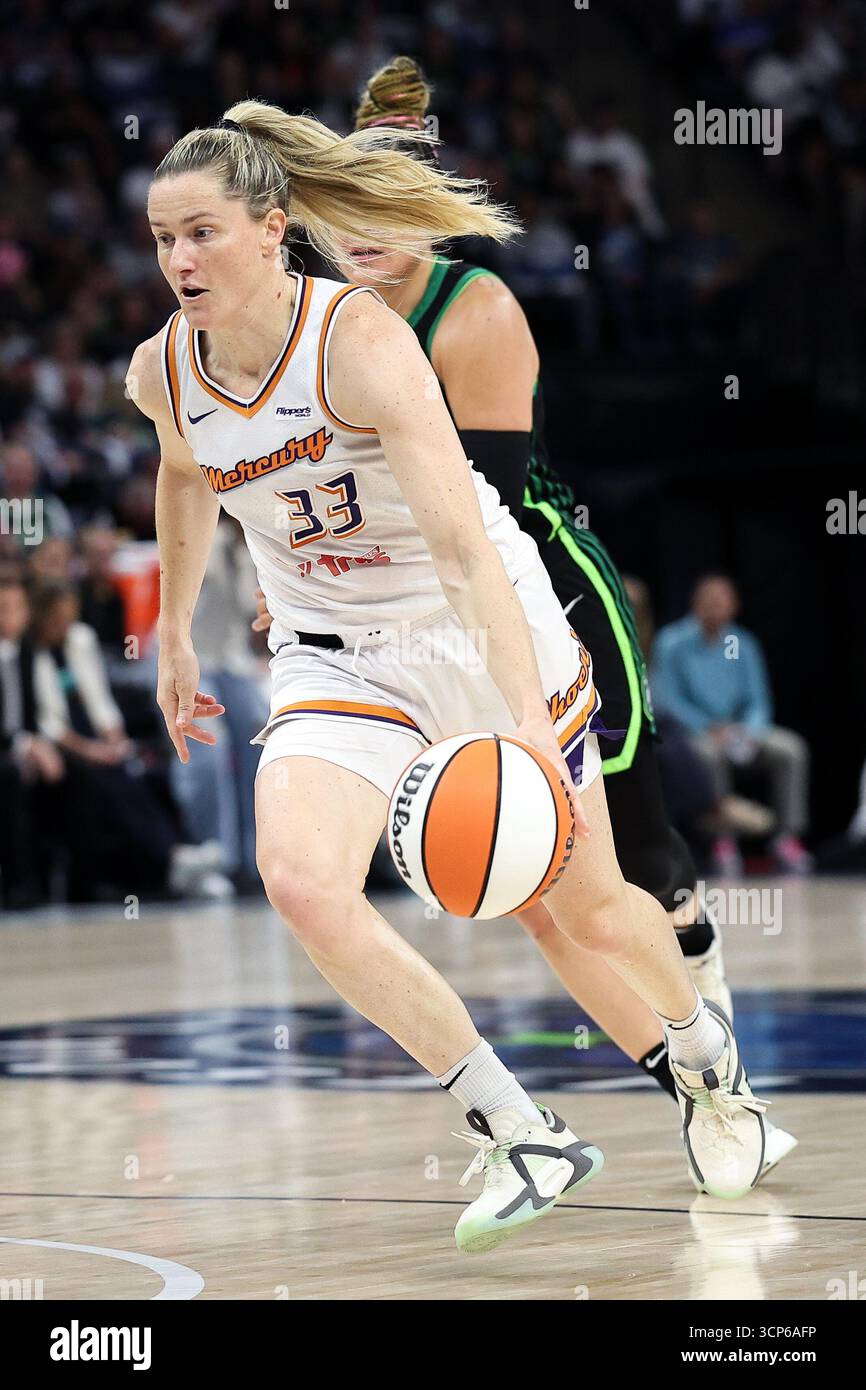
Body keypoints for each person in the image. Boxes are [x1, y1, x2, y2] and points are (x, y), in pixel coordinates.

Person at [130, 95, 775, 1254]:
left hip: (468, 623)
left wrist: (525, 723)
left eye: (201, 232)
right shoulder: (161, 371)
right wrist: (175, 633)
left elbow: (467, 548)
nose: (178, 258)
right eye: (163, 237)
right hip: (338, 653)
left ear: (273, 229)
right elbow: (182, 475)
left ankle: (703, 1054)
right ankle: (518, 1129)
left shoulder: (360, 342)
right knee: (299, 877)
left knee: (571, 901)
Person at [652, 574, 811, 876]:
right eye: (709, 602)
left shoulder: (742, 644)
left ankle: (786, 837)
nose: (715, 609)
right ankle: (723, 840)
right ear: (695, 605)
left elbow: (758, 698)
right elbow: (666, 700)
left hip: (740, 731)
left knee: (790, 749)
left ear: (734, 606)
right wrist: (709, 728)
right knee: (709, 755)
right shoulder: (672, 643)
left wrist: (748, 731)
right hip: (696, 734)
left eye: (722, 602)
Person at [0, 574, 64, 907]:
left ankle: (81, 882)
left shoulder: (29, 653)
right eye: (3, 607)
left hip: (24, 744)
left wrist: (39, 743)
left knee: (74, 773)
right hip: (7, 750)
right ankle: (16, 885)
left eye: (16, 607)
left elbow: (39, 710)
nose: (9, 615)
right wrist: (26, 745)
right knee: (9, 776)